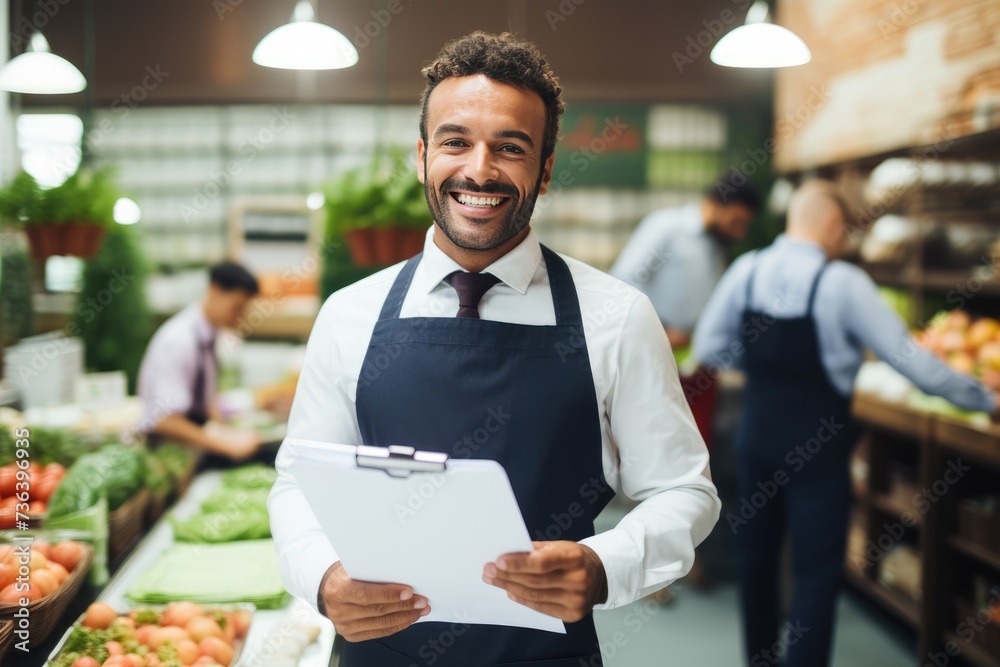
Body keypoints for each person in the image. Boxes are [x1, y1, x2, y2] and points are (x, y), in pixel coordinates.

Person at [268, 32, 720, 666]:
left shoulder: (617, 317)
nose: (479, 169)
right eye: (456, 141)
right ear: (423, 155)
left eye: (511, 147)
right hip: (379, 652)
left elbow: (684, 492)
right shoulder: (349, 315)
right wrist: (322, 577)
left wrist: (600, 564)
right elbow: (296, 481)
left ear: (547, 167)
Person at [692, 180, 1000, 667]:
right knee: (816, 571)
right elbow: (912, 364)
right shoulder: (842, 284)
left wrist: (762, 367)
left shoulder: (746, 271)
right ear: (833, 225)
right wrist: (984, 399)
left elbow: (710, 347)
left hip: (758, 439)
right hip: (817, 447)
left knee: (757, 562)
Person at [137, 261, 262, 462]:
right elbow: (163, 419)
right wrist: (227, 445)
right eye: (237, 306)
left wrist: (226, 432)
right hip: (165, 457)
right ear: (214, 290)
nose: (241, 316)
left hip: (188, 451)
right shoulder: (180, 340)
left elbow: (206, 398)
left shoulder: (207, 335)